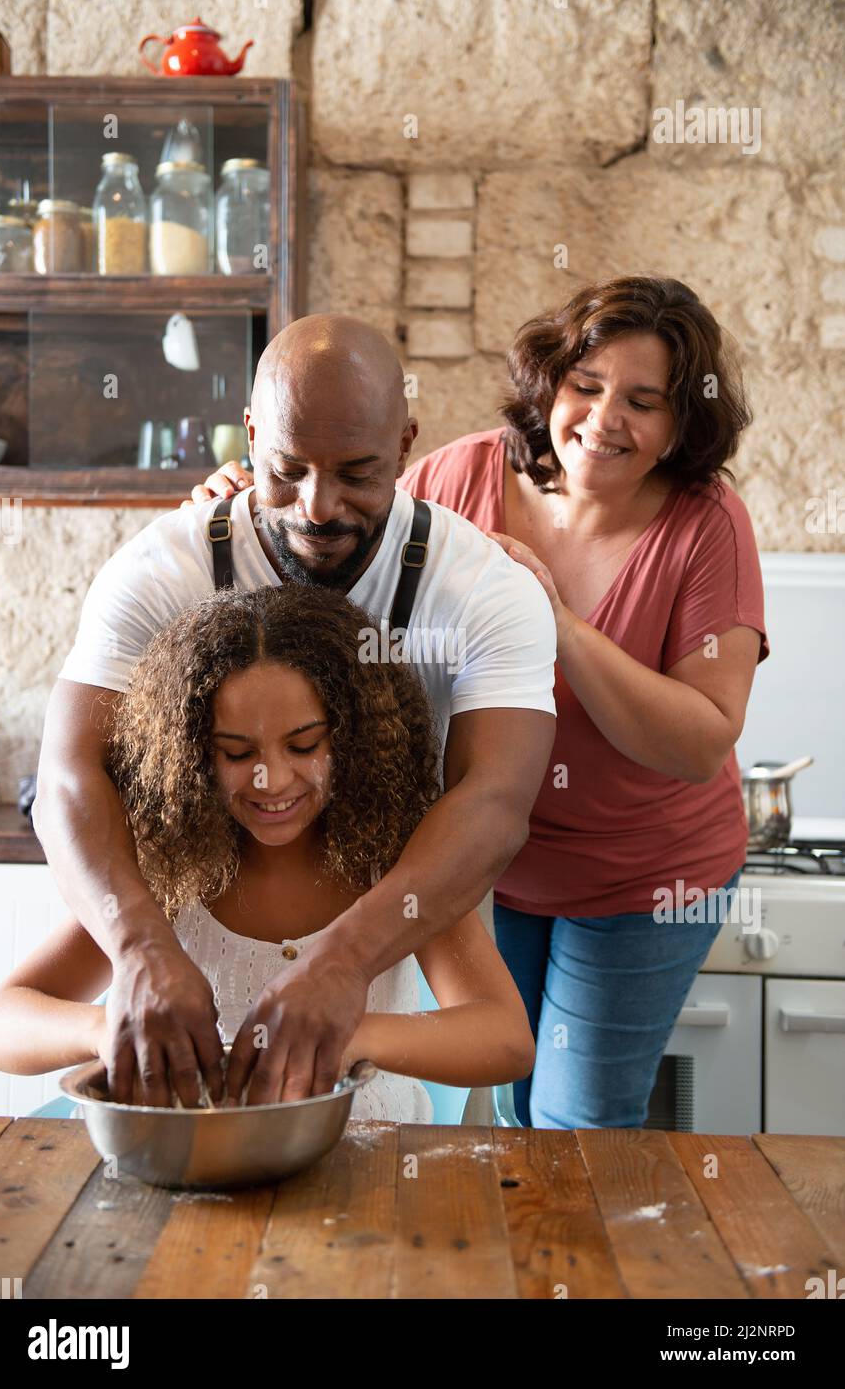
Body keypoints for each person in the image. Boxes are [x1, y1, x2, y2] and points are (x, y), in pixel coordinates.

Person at [195, 276, 769, 1129]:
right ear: (550, 385)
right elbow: (336, 554)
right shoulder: (458, 475)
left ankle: (578, 1262)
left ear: (681, 423)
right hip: (480, 865)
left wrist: (562, 627)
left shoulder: (706, 526)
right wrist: (245, 518)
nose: (605, 419)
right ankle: (539, 1267)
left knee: (577, 1123)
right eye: (586, 386)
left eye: (643, 401)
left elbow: (697, 743)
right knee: (504, 1110)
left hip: (642, 879)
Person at [33, 314, 556, 1110]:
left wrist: (342, 968)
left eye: (355, 471)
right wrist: (138, 951)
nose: (317, 506)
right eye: (285, 470)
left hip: (409, 904)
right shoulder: (156, 574)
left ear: (407, 443)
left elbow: (493, 801)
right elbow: (70, 773)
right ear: (248, 435)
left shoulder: (485, 592)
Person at [0, 586, 535, 1119]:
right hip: (184, 1169)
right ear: (192, 752)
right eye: (236, 752)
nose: (271, 780)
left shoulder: (395, 865)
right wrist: (104, 1030)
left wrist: (350, 1033)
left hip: (369, 1172)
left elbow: (506, 1039)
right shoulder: (169, 870)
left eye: (304, 745)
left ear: (352, 738)